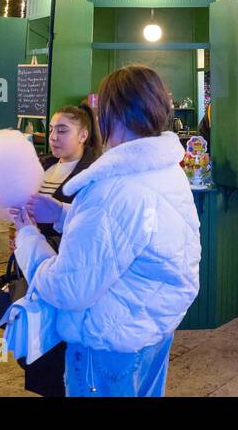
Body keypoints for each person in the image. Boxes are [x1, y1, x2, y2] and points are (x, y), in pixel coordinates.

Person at [13, 64, 200, 397]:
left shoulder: (112, 186)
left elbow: (69, 287)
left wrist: (28, 238)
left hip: (109, 343)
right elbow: (131, 234)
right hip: (152, 330)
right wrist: (63, 214)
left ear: (111, 114)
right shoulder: (166, 169)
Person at [13, 104, 102, 397]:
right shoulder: (42, 165)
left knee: (59, 348)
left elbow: (91, 226)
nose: (53, 136)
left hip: (64, 268)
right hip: (32, 266)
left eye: (63, 130)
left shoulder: (92, 175)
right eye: (51, 129)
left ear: (84, 134)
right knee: (37, 342)